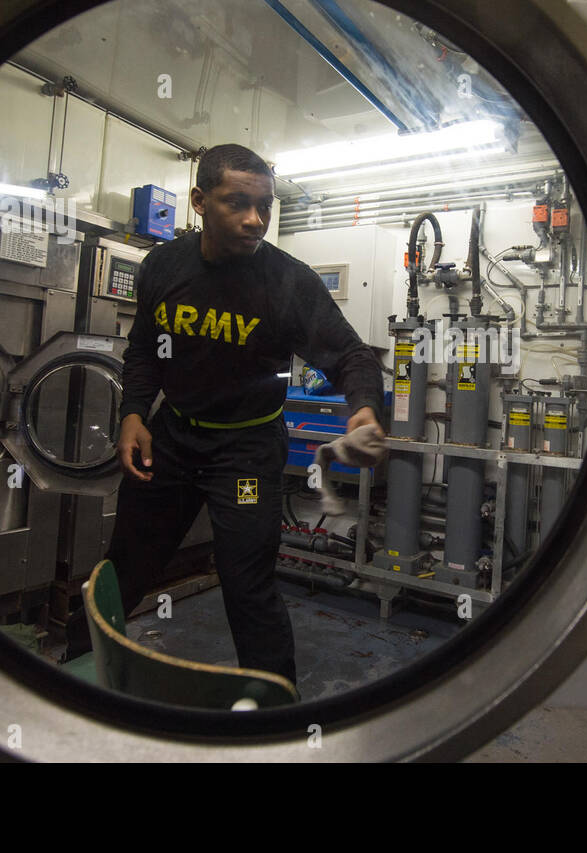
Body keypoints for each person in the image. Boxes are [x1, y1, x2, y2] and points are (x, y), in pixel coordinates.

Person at [63, 144, 385, 685]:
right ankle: (73, 673)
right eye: (237, 203)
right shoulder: (164, 266)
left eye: (265, 206)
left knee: (247, 584)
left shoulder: (289, 282)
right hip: (174, 437)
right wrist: (135, 412)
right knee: (126, 568)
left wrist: (365, 411)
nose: (255, 220)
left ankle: (273, 712)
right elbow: (145, 349)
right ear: (198, 201)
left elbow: (350, 355)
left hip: (246, 452)